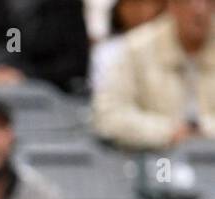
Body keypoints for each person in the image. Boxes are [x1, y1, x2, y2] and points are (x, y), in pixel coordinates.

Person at [92, 0, 215, 149]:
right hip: (155, 158)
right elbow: (109, 116)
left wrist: (203, 131)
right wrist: (168, 132)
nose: (199, 10)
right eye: (187, 2)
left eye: (208, 2)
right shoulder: (137, 48)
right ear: (172, 5)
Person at [91, 0, 167, 91]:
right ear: (119, 8)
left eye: (148, 3)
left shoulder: (172, 46)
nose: (140, 11)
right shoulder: (106, 51)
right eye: (133, 4)